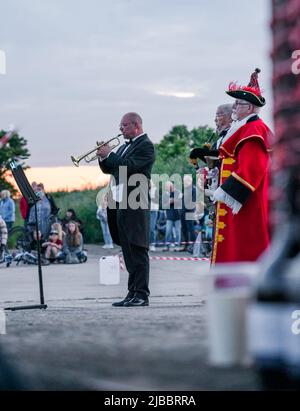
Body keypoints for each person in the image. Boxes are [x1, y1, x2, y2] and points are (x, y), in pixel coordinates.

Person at [210, 68, 273, 263]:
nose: (234, 107)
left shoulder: (254, 129)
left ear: (251, 108)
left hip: (247, 201)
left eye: (239, 103)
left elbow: (252, 167)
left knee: (245, 244)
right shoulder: (245, 127)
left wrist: (226, 191)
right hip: (243, 200)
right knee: (235, 243)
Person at [97, 112, 155, 307]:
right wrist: (103, 158)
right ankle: (132, 292)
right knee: (128, 250)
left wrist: (110, 155)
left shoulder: (145, 145)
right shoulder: (123, 147)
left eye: (124, 126)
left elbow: (128, 167)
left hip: (135, 203)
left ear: (136, 126)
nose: (120, 130)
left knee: (138, 249)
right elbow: (111, 169)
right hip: (120, 202)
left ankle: (142, 295)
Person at [162, 181, 182, 252]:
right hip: (169, 216)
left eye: (168, 186)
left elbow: (180, 202)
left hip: (178, 215)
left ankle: (177, 246)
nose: (167, 187)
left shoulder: (178, 192)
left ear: (172, 185)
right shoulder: (165, 194)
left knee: (178, 232)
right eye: (166, 186)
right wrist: (169, 202)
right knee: (168, 231)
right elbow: (163, 205)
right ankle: (167, 246)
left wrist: (173, 200)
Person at [180, 175, 197, 252]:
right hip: (183, 212)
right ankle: (186, 245)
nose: (184, 182)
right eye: (183, 181)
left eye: (185, 181)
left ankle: (193, 245)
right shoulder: (185, 189)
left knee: (191, 228)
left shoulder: (194, 189)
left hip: (190, 211)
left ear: (190, 181)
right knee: (184, 229)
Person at [149, 180, 159, 252]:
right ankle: (147, 244)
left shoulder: (155, 190)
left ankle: (152, 244)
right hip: (146, 211)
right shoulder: (145, 190)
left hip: (153, 210)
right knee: (146, 228)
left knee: (152, 228)